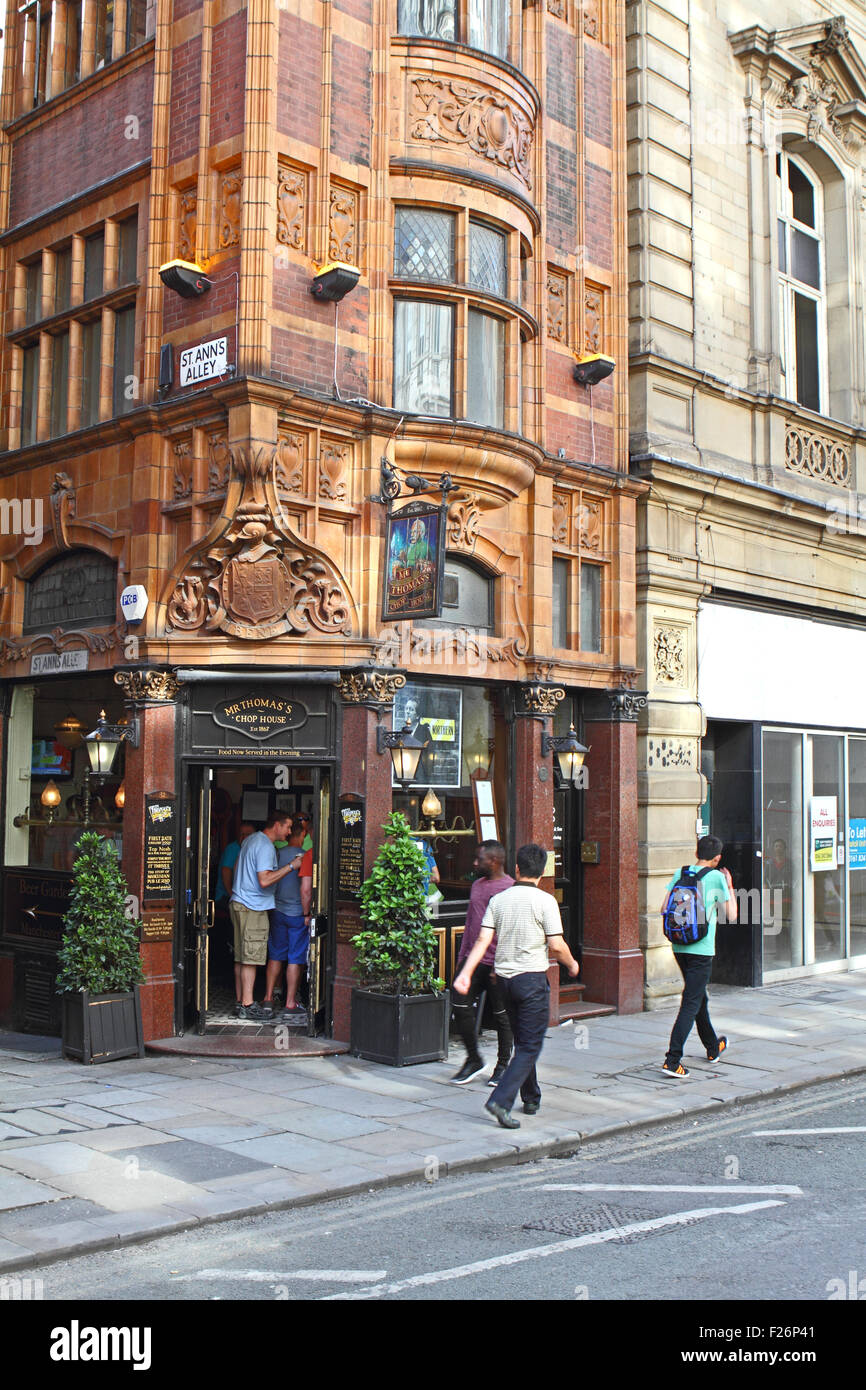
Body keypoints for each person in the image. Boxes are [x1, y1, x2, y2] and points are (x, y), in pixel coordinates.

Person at [453, 843, 579, 1129]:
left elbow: (482, 940)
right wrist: (571, 965)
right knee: (530, 1045)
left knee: (524, 1040)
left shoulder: (500, 899)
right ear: (543, 871)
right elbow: (556, 946)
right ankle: (501, 1100)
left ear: (518, 868)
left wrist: (466, 973)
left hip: (505, 981)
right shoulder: (546, 901)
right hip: (531, 981)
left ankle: (531, 1097)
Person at [660, 834, 737, 1078]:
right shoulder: (716, 877)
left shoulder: (681, 873)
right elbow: (731, 915)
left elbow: (664, 909)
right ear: (717, 858)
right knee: (691, 1002)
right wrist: (730, 886)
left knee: (698, 997)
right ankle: (672, 1060)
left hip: (679, 947)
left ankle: (713, 1047)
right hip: (701, 950)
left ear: (696, 853)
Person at [450, 840, 514, 1087]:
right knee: (458, 1001)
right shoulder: (477, 886)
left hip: (499, 962)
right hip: (474, 960)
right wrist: (462, 960)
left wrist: (503, 966)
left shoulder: (509, 888)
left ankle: (503, 1066)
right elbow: (470, 924)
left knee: (502, 1016)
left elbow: (510, 931)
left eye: (480, 859)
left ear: (495, 861)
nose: (475, 863)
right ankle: (474, 1058)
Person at [229, 811, 300, 1019]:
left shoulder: (251, 840)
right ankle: (249, 1005)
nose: (289, 832)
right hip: (253, 906)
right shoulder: (265, 846)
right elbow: (265, 880)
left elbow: (236, 868)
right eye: (287, 827)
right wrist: (291, 866)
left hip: (240, 901)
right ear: (276, 825)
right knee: (250, 958)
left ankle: (241, 1002)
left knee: (242, 957)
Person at [263, 818, 313, 1024]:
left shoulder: (277, 854)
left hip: (277, 910)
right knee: (295, 958)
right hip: (296, 914)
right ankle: (290, 1002)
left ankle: (267, 998)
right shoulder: (306, 856)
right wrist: (306, 913)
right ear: (302, 835)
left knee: (275, 955)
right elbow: (306, 890)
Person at [213, 820, 255, 978]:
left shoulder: (250, 848)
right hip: (226, 897)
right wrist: (233, 897)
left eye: (248, 834)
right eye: (241, 834)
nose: (244, 837)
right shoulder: (233, 849)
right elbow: (226, 875)